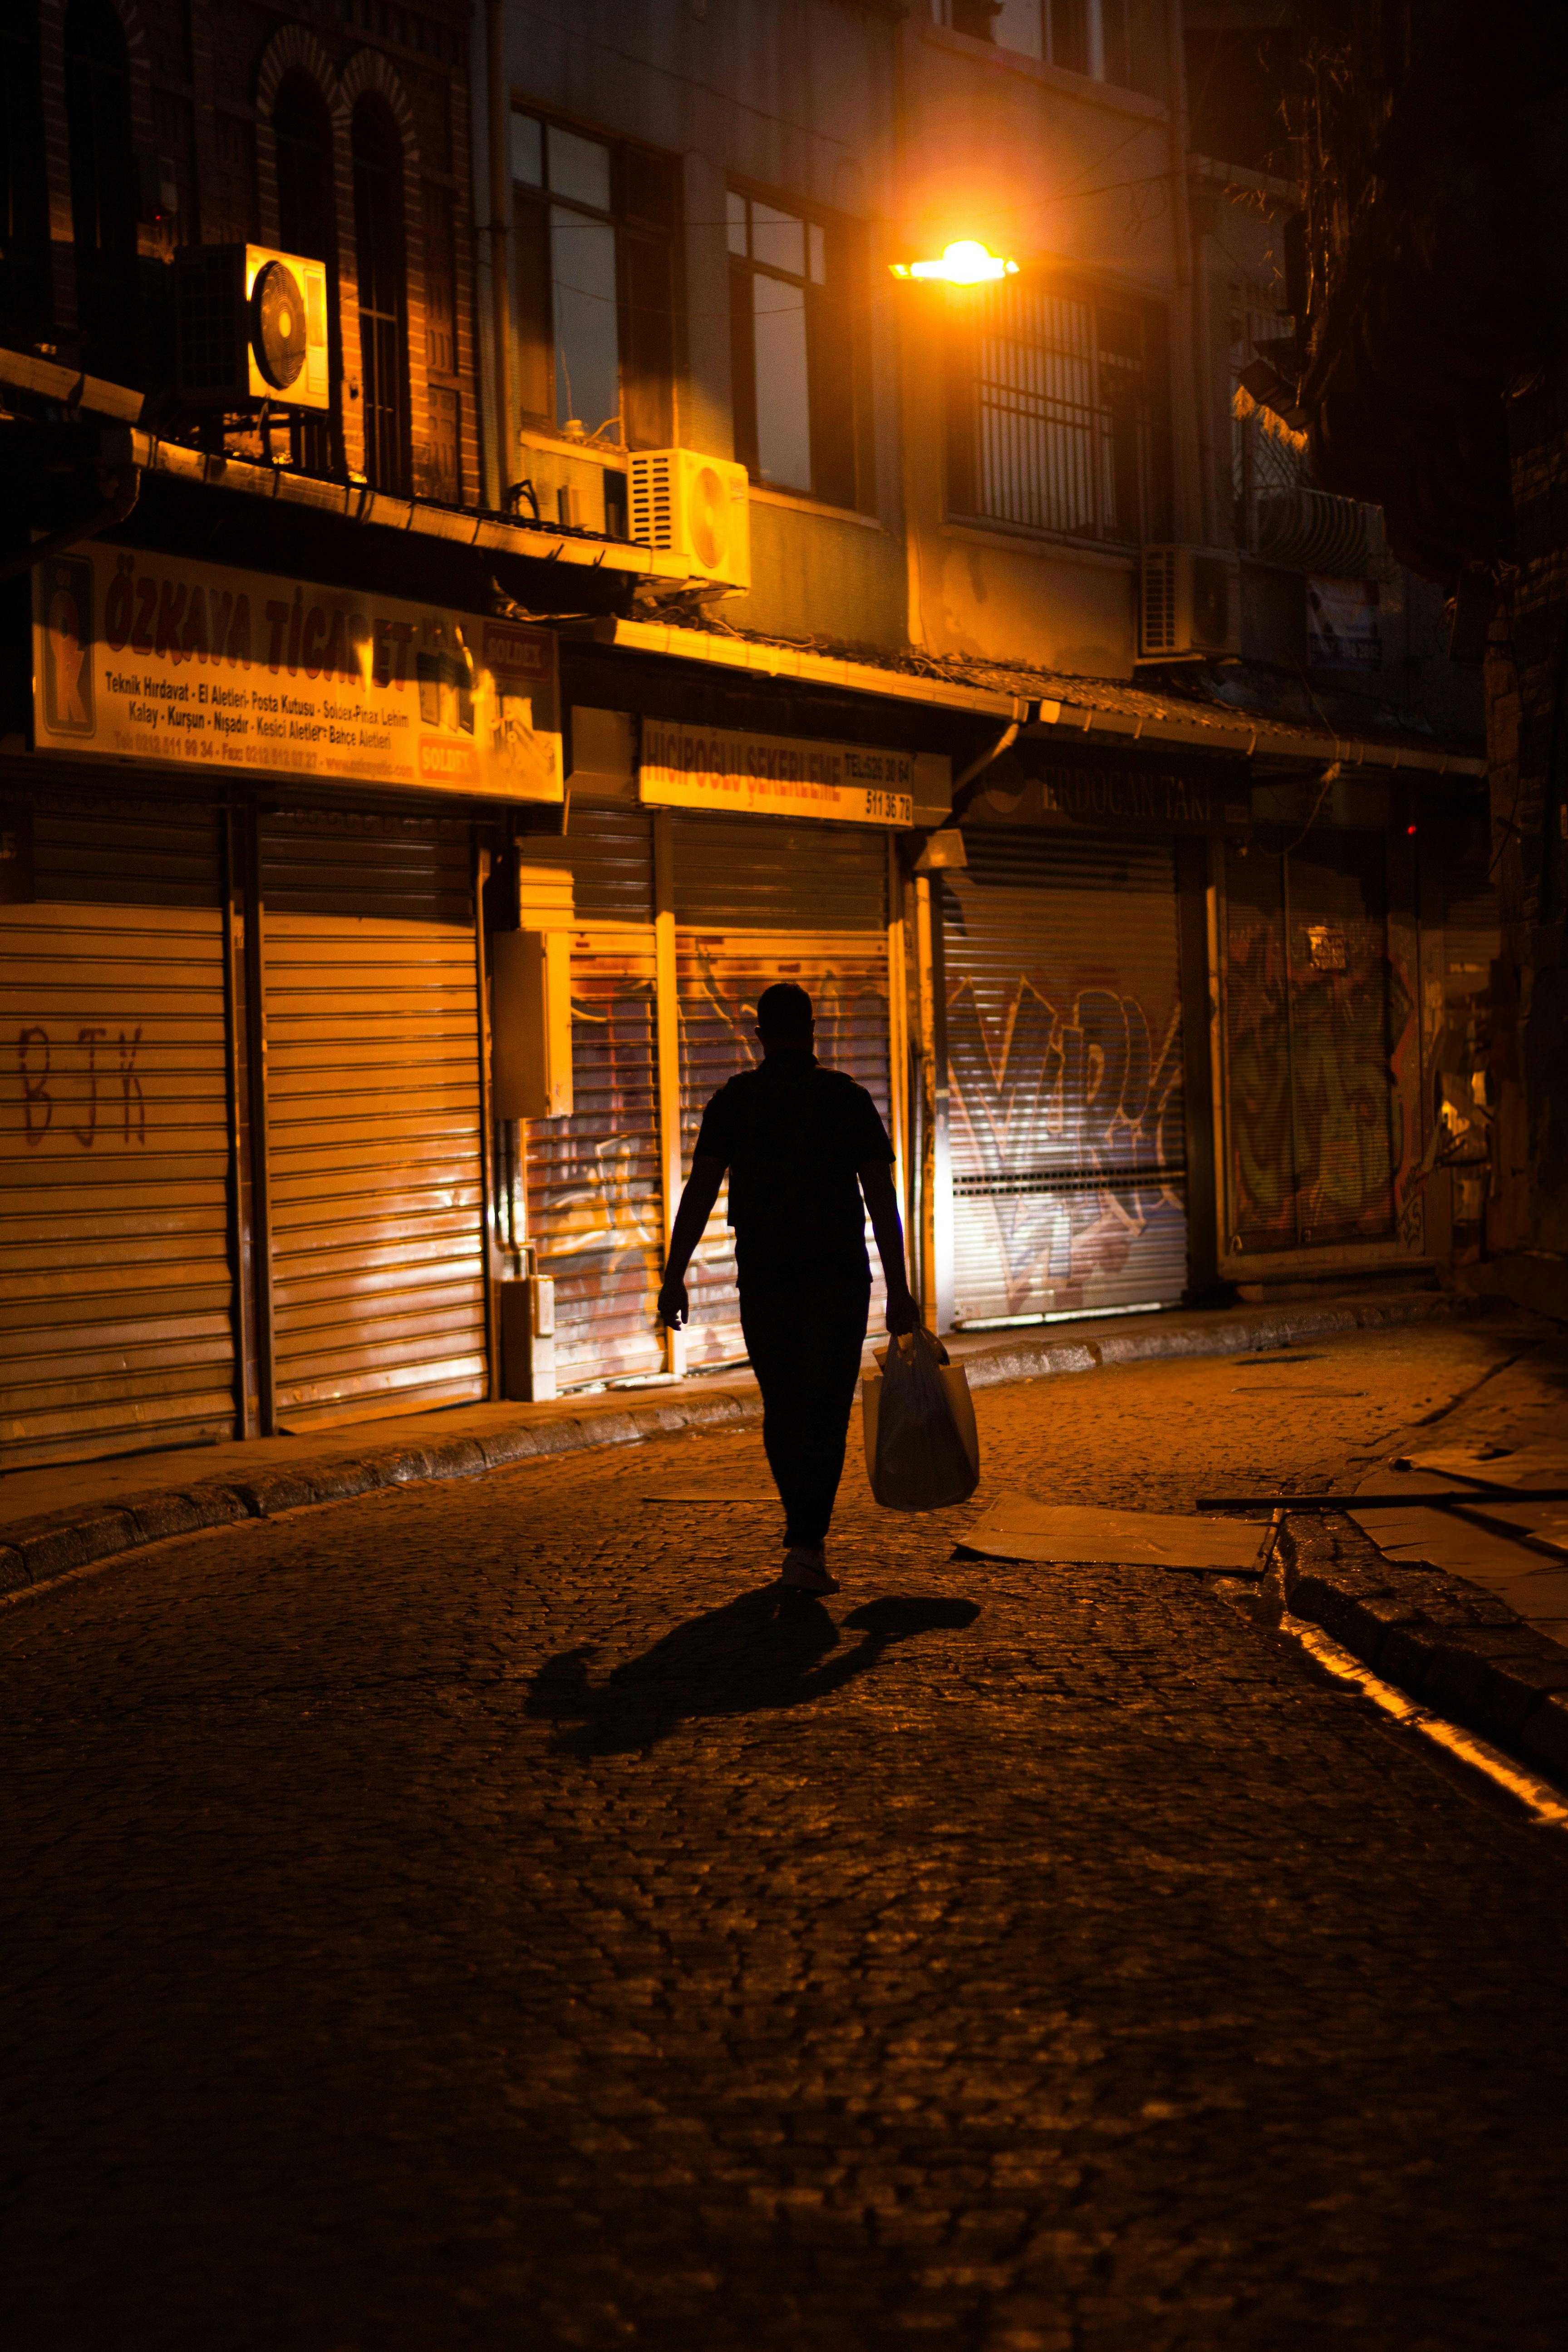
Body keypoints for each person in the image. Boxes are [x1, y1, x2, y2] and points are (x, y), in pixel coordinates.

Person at [657, 980, 919, 1596]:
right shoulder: (846, 1100)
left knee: (784, 1404)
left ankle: (803, 1535)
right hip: (838, 1276)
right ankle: (809, 1539)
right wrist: (900, 1290)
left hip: (768, 1276)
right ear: (813, 1031)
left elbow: (699, 1193)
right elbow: (881, 1202)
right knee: (826, 1407)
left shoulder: (736, 1102)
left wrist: (674, 1276)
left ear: (759, 1035)